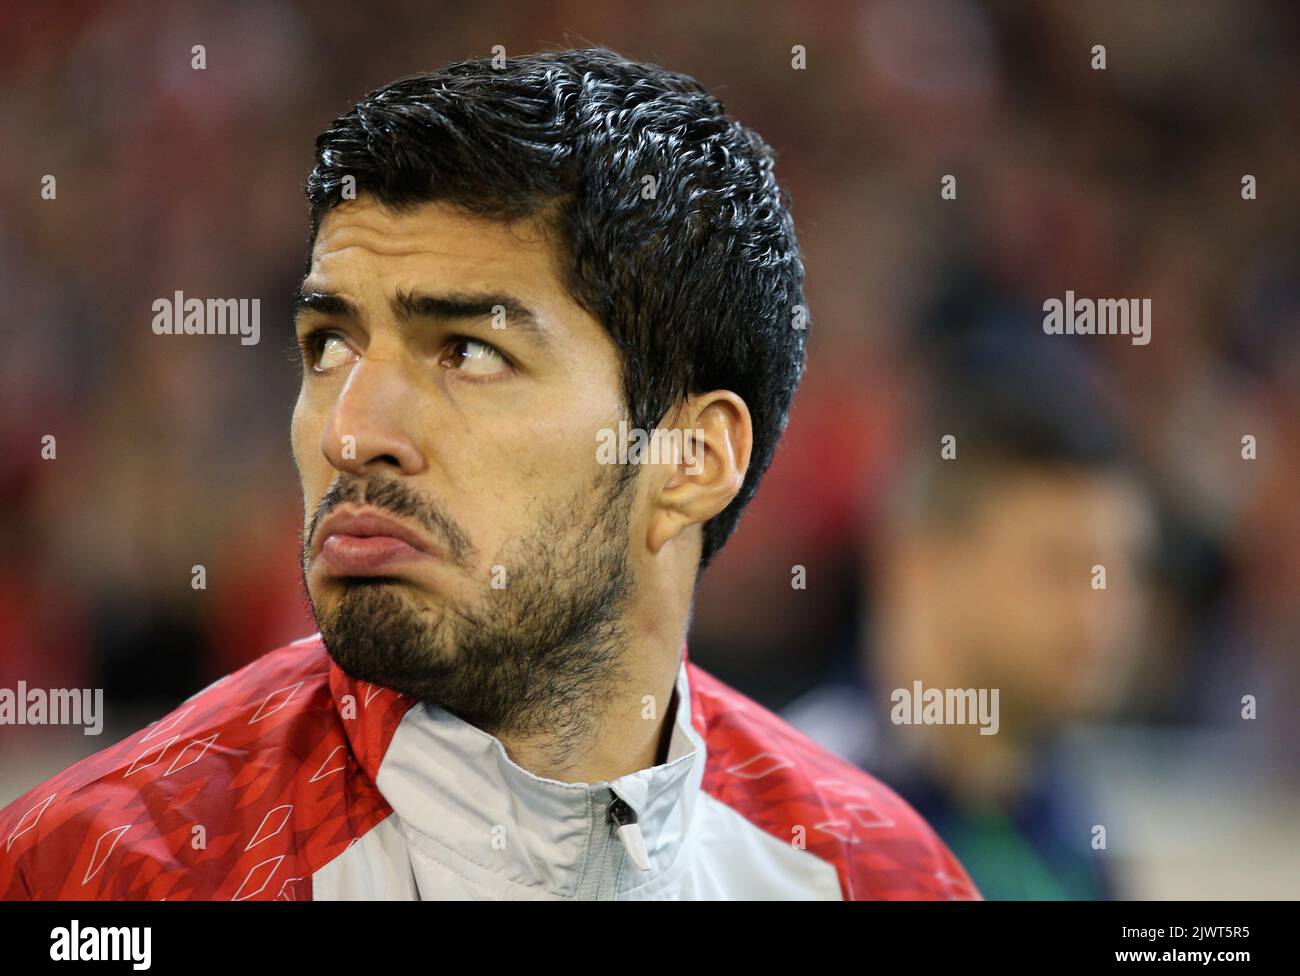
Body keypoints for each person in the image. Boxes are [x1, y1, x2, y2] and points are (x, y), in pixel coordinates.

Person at [0, 48, 976, 901]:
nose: (352, 433)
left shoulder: (877, 879)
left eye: (466, 352)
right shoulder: (98, 874)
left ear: (691, 459)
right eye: (330, 345)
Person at [783, 340, 1155, 899]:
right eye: (1058, 566)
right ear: (921, 565)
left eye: (1119, 570)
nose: (1101, 612)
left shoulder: (1078, 838)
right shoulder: (793, 808)